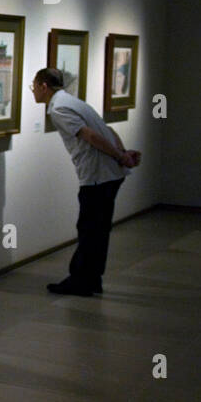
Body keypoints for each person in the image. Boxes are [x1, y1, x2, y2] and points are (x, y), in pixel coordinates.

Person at [30, 68, 140, 296]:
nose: (33, 92)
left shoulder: (59, 108)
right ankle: (92, 279)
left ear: (44, 86)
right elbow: (107, 128)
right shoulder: (74, 102)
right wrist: (122, 153)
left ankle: (81, 280)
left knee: (89, 228)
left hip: (97, 176)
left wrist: (121, 156)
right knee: (98, 229)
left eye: (34, 86)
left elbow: (91, 136)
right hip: (109, 174)